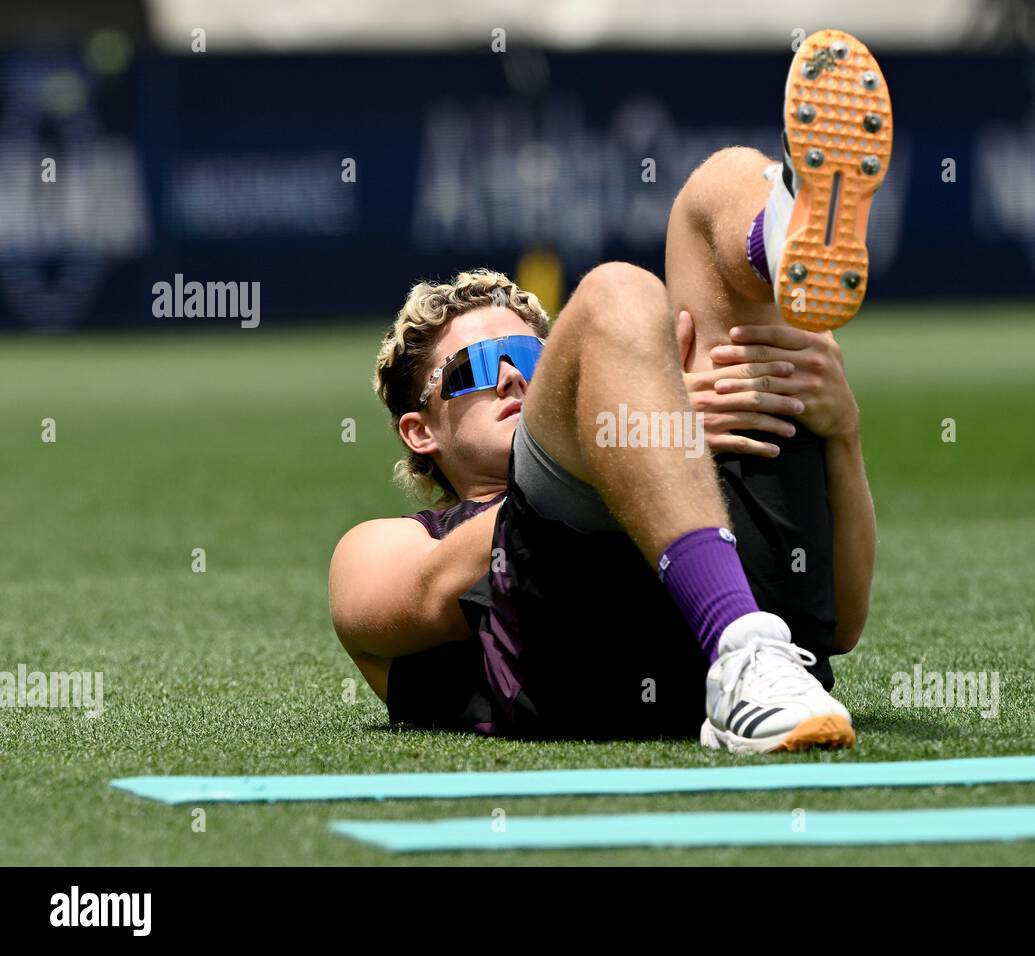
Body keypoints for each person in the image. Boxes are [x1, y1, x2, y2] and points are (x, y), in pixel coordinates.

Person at [328, 28, 889, 753]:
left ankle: (782, 240)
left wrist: (842, 432)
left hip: (775, 642)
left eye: (529, 352)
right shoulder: (382, 545)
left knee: (716, 182)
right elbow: (427, 592)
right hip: (575, 657)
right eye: (472, 367)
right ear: (419, 430)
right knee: (620, 293)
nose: (510, 374)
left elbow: (840, 626)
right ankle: (740, 650)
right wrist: (635, 440)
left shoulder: (680, 419)